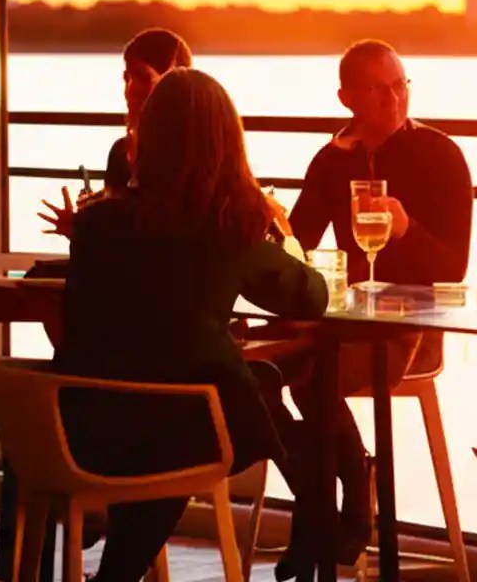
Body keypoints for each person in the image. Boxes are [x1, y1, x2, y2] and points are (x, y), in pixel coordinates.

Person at [54, 67, 328, 582]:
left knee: (238, 394)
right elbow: (310, 296)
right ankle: (326, 516)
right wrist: (282, 235)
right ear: (227, 143)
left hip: (78, 423)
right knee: (221, 412)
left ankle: (115, 575)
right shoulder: (229, 226)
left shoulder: (94, 223)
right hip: (168, 431)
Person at [266, 39, 474, 576]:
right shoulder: (333, 159)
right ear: (347, 98)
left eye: (400, 84)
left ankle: (337, 508)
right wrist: (261, 221)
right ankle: (337, 495)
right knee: (261, 374)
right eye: (378, 89)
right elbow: (297, 242)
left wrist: (406, 231)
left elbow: (454, 268)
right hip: (340, 322)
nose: (393, 98)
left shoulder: (441, 155)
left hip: (411, 328)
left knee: (311, 379)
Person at [38, 28, 193, 240]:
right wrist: (79, 227)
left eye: (142, 77)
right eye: (126, 78)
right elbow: (115, 235)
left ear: (176, 84)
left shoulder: (194, 154)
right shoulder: (121, 151)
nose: (128, 91)